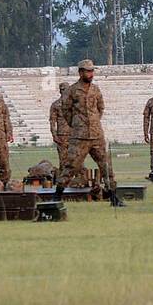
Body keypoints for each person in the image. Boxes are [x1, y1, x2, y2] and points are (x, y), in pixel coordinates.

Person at [57, 59, 124, 207]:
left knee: (106, 166)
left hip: (96, 136)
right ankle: (57, 195)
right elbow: (65, 110)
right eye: (88, 71)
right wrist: (76, 125)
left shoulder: (96, 90)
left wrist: (94, 123)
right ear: (80, 72)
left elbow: (100, 108)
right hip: (79, 136)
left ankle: (113, 197)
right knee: (71, 166)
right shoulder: (72, 90)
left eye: (92, 71)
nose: (91, 74)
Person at [49, 81, 71, 181]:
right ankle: (63, 183)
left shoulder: (75, 104)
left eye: (66, 90)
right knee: (63, 161)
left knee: (77, 160)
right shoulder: (56, 105)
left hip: (74, 136)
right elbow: (52, 121)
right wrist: (54, 135)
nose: (64, 92)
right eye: (62, 90)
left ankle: (77, 181)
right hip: (61, 136)